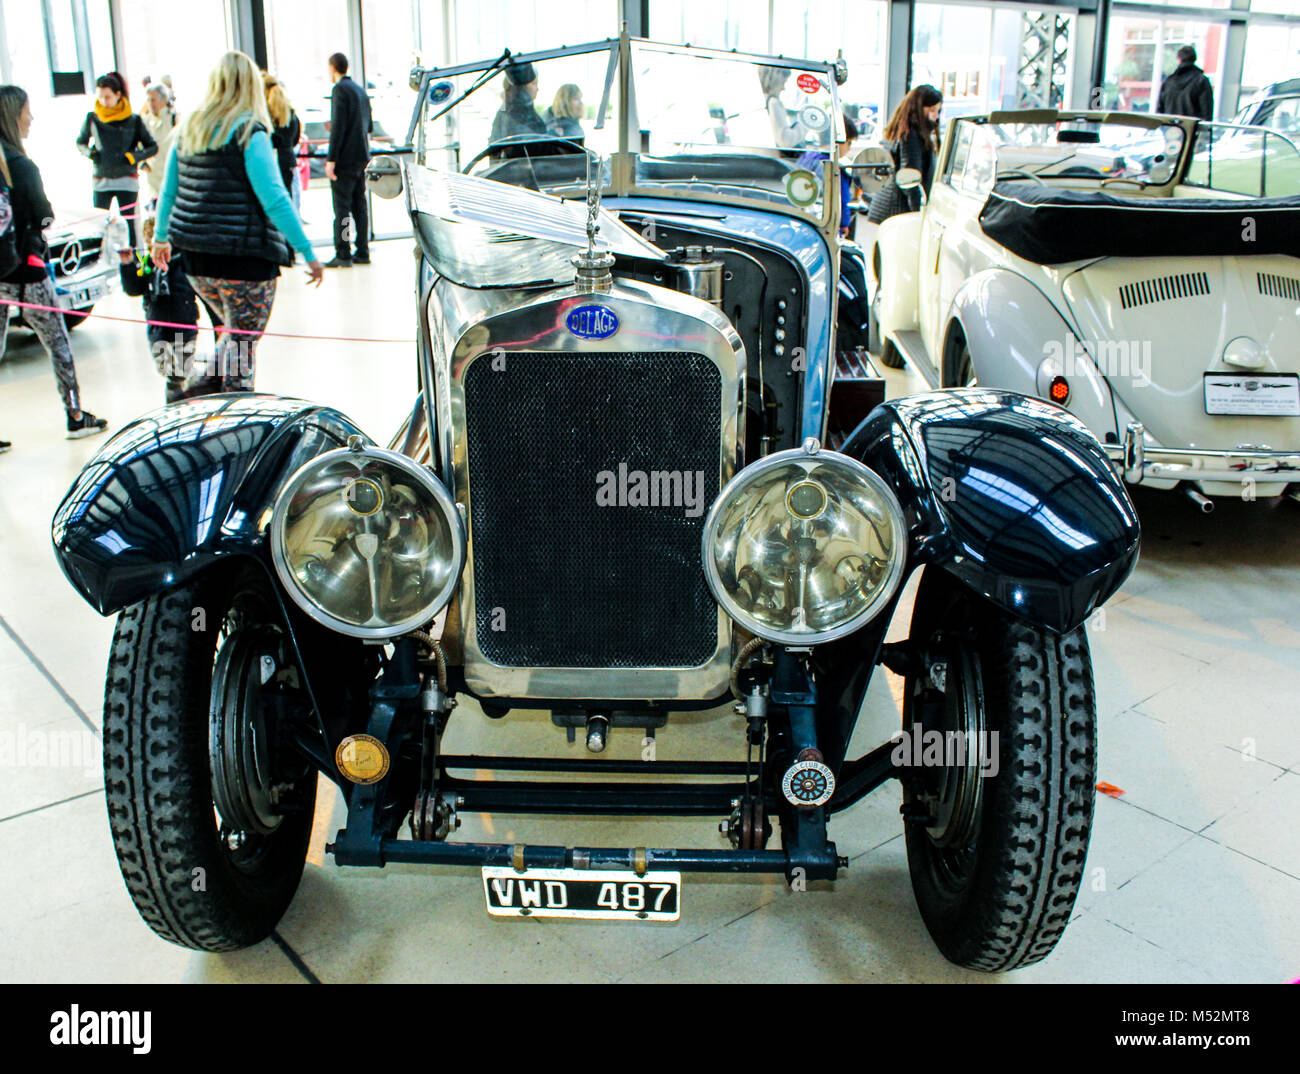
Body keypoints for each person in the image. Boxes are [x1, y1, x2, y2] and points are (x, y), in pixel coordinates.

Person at [151, 50, 323, 397]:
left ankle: (198, 394)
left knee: (235, 336)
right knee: (241, 348)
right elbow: (274, 197)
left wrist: (160, 238)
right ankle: (230, 422)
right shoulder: (249, 131)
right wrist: (307, 251)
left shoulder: (190, 129)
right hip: (245, 261)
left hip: (197, 260)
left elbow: (168, 190)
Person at [0, 85, 108, 439]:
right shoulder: (22, 166)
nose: (31, 118)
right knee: (58, 344)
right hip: (30, 274)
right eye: (27, 112)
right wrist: (39, 234)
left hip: (0, 274)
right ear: (14, 117)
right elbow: (45, 216)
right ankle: (75, 415)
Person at [118, 217, 199, 403]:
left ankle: (178, 394)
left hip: (184, 324)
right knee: (164, 367)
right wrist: (127, 265)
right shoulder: (146, 264)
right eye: (148, 239)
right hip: (158, 327)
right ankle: (181, 385)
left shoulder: (182, 261)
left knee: (179, 371)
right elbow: (133, 289)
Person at [76, 72, 157, 247]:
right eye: (100, 97)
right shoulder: (93, 118)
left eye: (108, 97)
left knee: (130, 228)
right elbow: (80, 142)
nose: (104, 101)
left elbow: (152, 146)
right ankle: (101, 262)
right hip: (101, 178)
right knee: (98, 226)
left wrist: (133, 157)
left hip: (126, 179)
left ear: (118, 95)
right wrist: (90, 153)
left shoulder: (133, 120)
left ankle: (137, 266)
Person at [867, 84, 942, 225]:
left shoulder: (905, 130)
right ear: (918, 108)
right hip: (899, 210)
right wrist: (918, 213)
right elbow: (910, 179)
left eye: (938, 111)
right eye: (932, 110)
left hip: (890, 206)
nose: (936, 116)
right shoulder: (912, 135)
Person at [324, 52, 371, 268]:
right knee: (359, 205)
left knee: (342, 208)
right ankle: (363, 250)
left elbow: (338, 127)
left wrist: (331, 159)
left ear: (333, 68)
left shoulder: (339, 90)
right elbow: (368, 126)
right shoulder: (360, 91)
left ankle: (343, 252)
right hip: (361, 156)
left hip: (344, 159)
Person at [798, 113, 858, 239]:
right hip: (826, 227)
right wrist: (844, 224)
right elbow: (841, 200)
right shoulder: (835, 169)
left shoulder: (807, 158)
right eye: (849, 143)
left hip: (803, 219)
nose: (849, 148)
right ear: (838, 140)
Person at [263, 73, 302, 213]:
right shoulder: (291, 113)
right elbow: (296, 139)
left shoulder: (264, 115)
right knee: (288, 203)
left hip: (271, 163)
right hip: (288, 162)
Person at [489, 61, 547, 149]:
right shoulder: (512, 113)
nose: (537, 88)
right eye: (534, 84)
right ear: (522, 86)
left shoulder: (506, 110)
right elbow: (529, 140)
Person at [138, 82, 177, 209]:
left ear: (164, 99)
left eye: (153, 99)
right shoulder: (143, 122)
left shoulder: (175, 118)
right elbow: (135, 146)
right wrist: (141, 164)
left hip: (173, 179)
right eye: (148, 100)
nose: (150, 103)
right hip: (153, 184)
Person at [1157, 45, 1214, 121]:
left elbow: (1160, 109)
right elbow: (1207, 112)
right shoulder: (1201, 81)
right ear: (1194, 59)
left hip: (1170, 129)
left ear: (1179, 60)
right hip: (1191, 129)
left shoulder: (1168, 81)